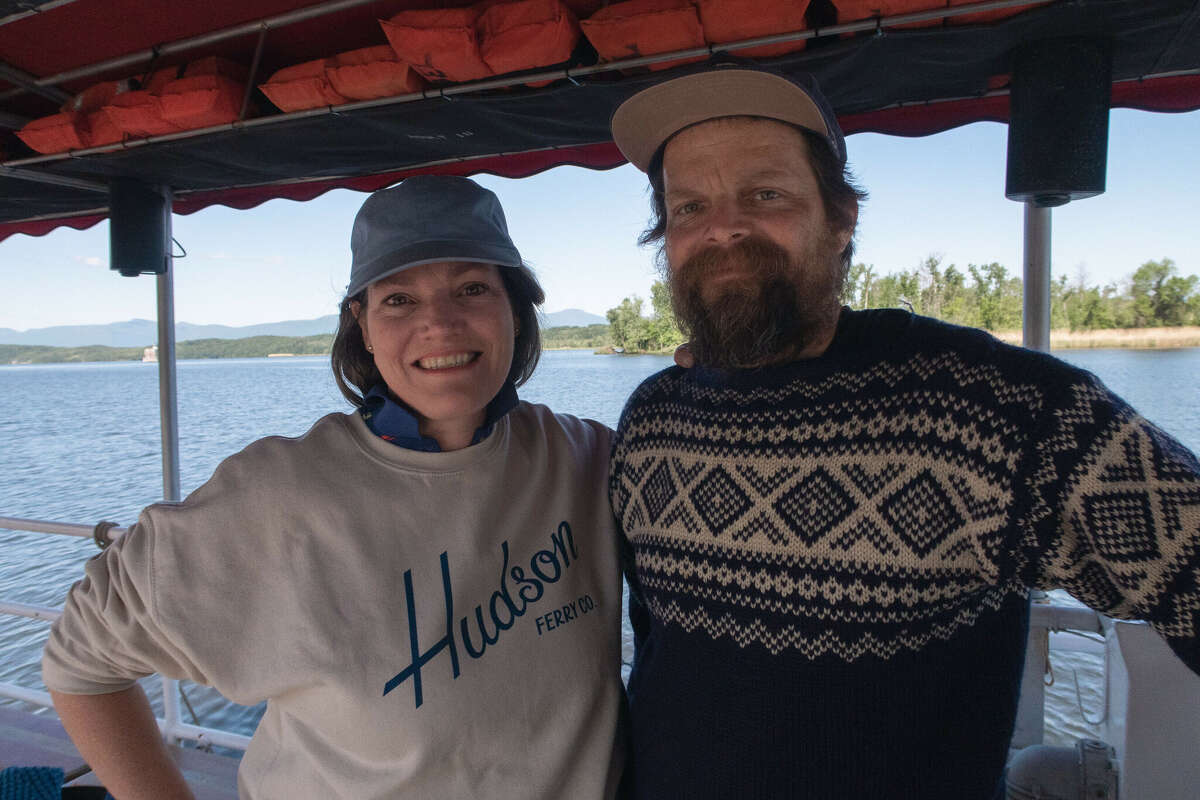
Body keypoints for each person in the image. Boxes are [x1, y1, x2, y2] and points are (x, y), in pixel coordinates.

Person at [607, 58, 1200, 799]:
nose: (723, 226)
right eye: (688, 206)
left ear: (842, 219)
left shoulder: (991, 410)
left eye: (765, 193)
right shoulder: (651, 420)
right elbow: (659, 650)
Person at [42, 175, 626, 800]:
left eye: (473, 288)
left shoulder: (587, 459)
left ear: (516, 308)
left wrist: (722, 382)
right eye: (399, 300)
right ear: (364, 326)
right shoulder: (277, 496)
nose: (440, 323)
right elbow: (82, 661)